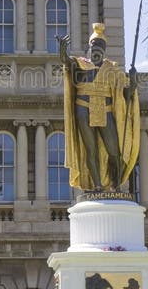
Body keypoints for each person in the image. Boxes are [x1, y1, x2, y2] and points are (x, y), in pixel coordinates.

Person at [59, 23, 140, 193]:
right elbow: (66, 61)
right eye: (94, 44)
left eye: (101, 44)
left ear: (105, 49)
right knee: (91, 150)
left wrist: (132, 82)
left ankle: (115, 184)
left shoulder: (112, 69)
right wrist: (62, 52)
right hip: (83, 109)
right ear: (89, 46)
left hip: (106, 109)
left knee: (114, 151)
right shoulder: (80, 64)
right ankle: (97, 185)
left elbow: (126, 94)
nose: (97, 47)